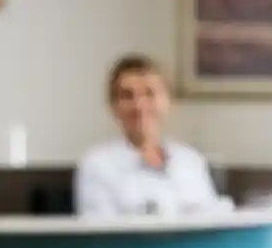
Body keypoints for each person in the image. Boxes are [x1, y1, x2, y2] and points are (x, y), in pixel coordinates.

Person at [75, 54, 228, 217]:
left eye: (150, 93)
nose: (139, 105)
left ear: (167, 101)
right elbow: (100, 234)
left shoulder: (191, 160)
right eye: (127, 96)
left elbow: (212, 220)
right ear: (114, 106)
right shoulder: (98, 165)